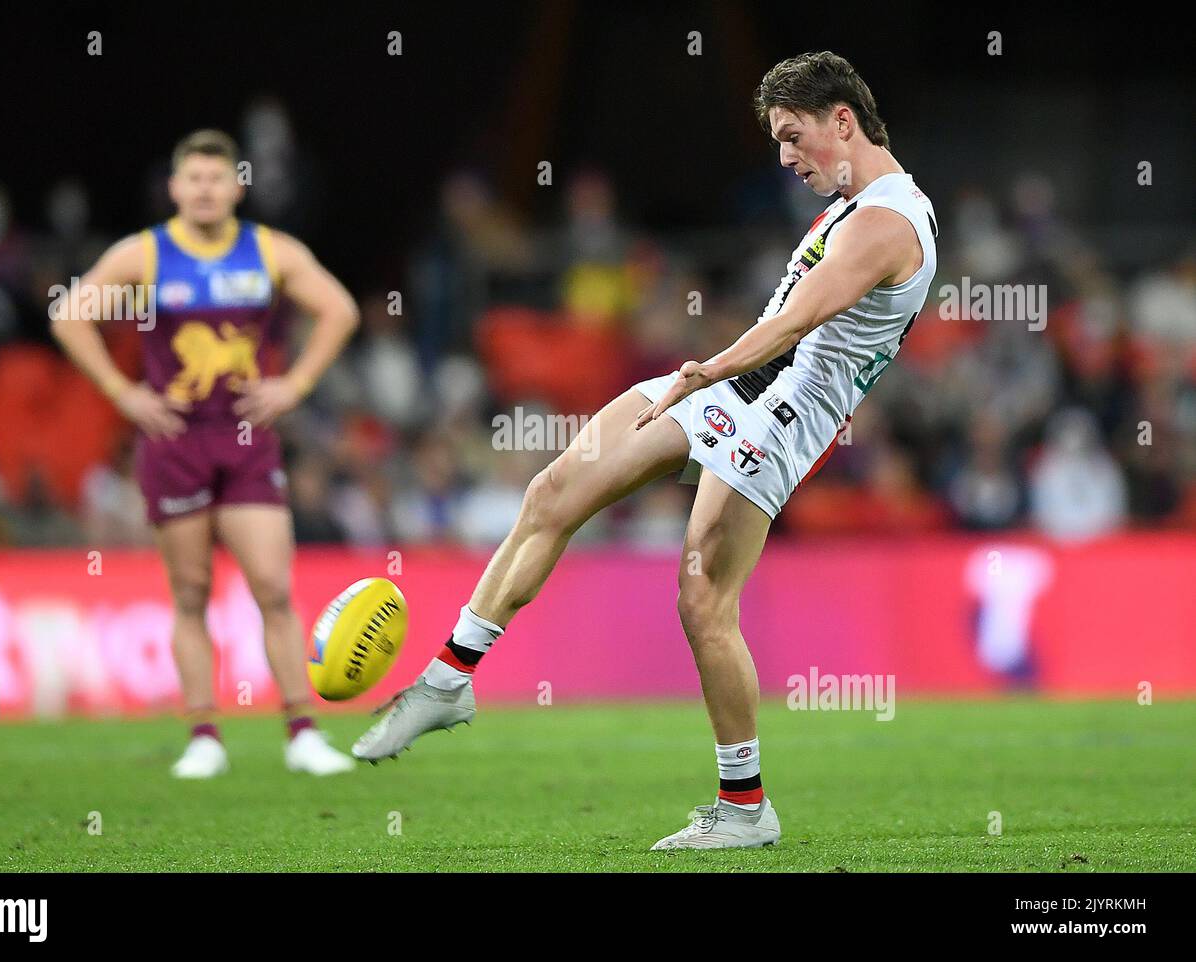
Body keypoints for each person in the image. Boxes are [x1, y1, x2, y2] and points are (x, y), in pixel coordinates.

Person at [353, 52, 939, 850]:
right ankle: (446, 681)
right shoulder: (854, 203)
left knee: (703, 604)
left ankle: (744, 809)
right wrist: (709, 374)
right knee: (554, 490)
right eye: (778, 141)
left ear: (844, 120)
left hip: (775, 419)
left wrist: (708, 366)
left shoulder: (887, 220)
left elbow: (797, 323)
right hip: (725, 386)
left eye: (792, 137)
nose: (784, 158)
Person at [52, 130, 360, 778]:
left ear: (237, 186)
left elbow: (340, 309)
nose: (204, 189)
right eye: (192, 179)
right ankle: (204, 735)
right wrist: (120, 391)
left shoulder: (269, 251)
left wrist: (296, 385)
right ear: (174, 188)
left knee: (273, 587)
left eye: (215, 179)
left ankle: (302, 732)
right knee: (190, 592)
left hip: (247, 438)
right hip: (175, 440)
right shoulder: (147, 253)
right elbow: (70, 315)